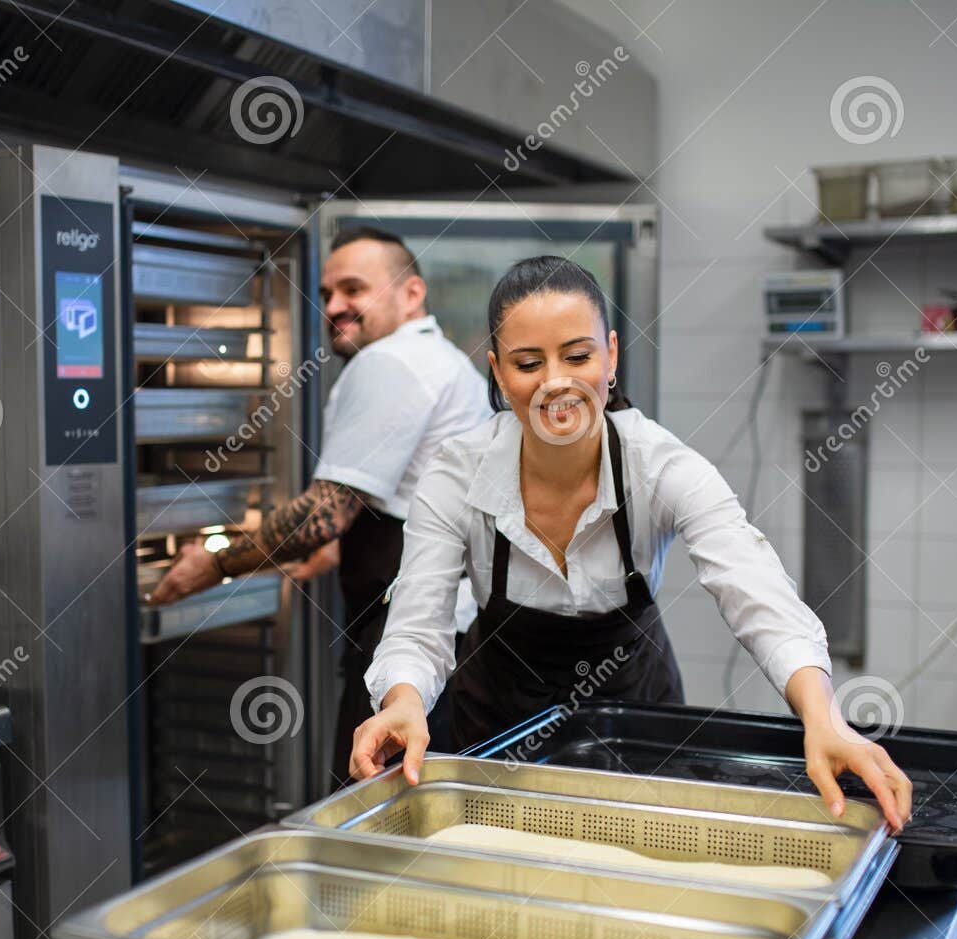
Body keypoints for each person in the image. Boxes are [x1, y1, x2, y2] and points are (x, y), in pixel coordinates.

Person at [349, 256, 912, 831]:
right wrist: (404, 700)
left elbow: (757, 593)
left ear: (611, 355)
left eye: (577, 356)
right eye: (527, 363)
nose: (555, 383)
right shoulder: (455, 475)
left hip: (636, 717)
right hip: (498, 727)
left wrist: (824, 717)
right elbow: (419, 624)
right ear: (496, 370)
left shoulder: (660, 466)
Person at [148, 226, 489, 784]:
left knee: (373, 807)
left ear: (411, 294)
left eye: (354, 289)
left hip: (404, 635)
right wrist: (339, 549)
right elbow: (411, 495)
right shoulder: (443, 361)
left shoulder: (390, 363)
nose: (334, 306)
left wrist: (212, 565)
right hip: (449, 639)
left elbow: (324, 512)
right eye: (327, 293)